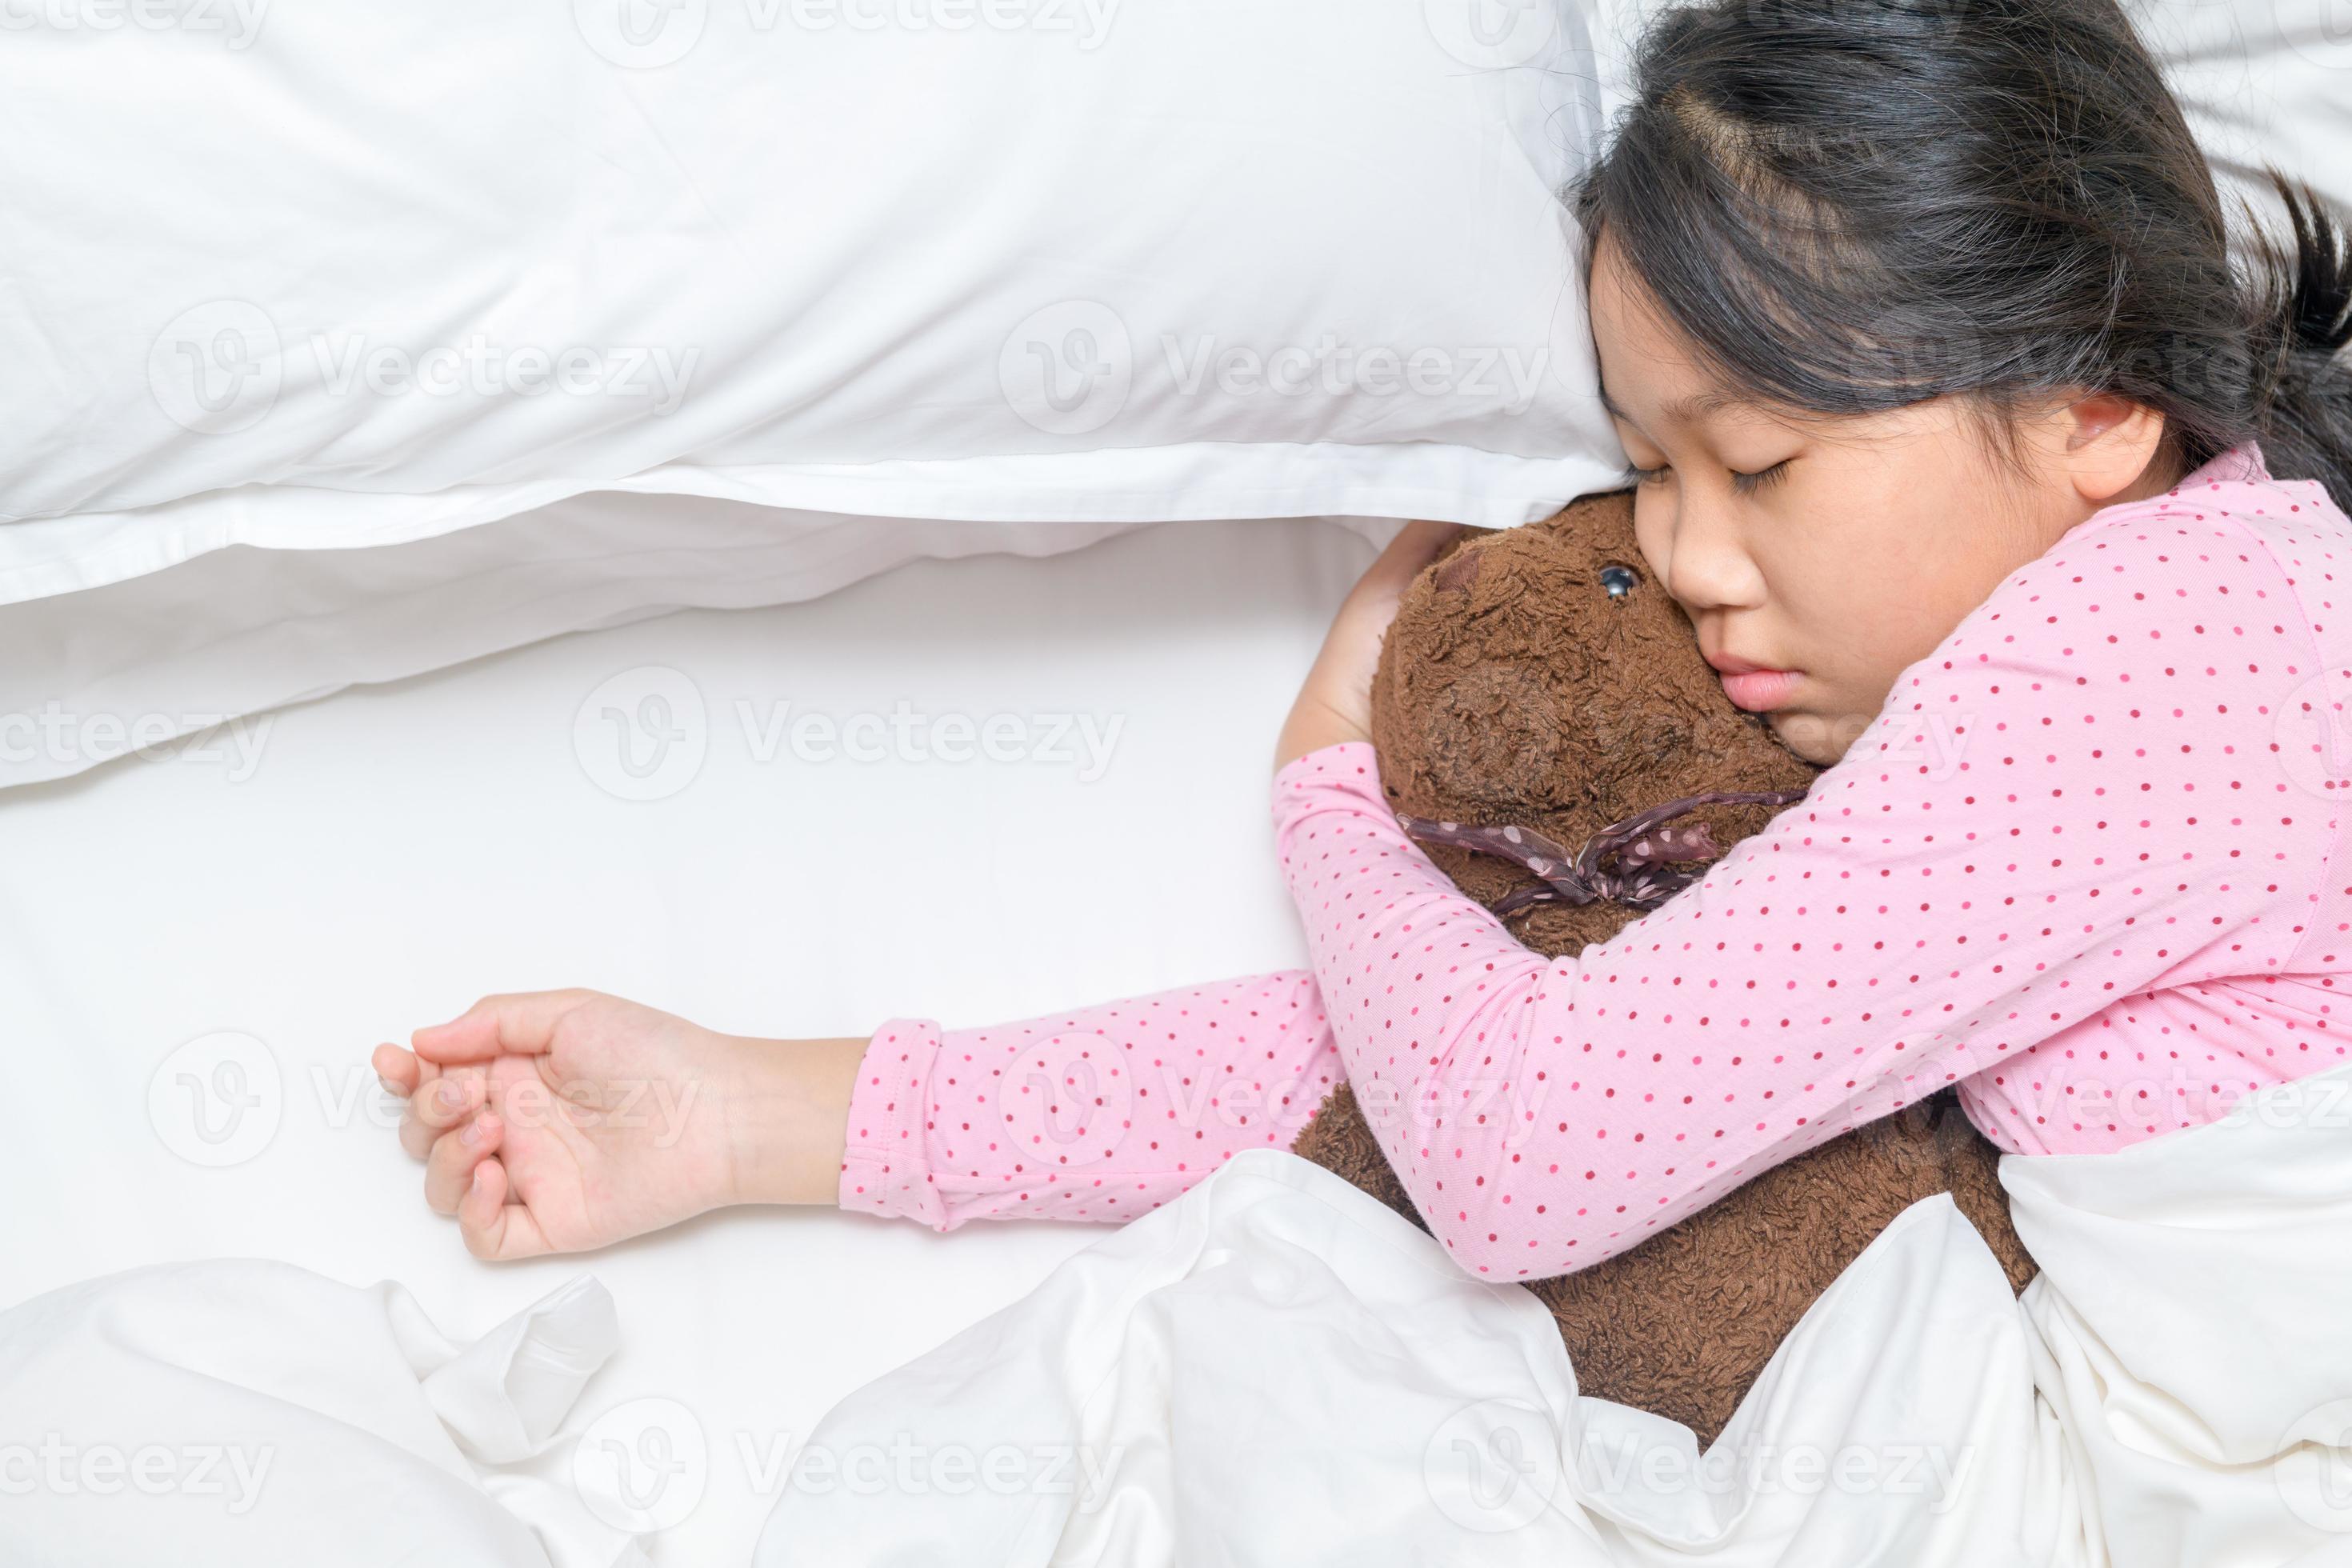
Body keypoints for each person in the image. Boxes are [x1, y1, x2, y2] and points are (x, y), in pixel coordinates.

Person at [373, 0, 2352, 1273]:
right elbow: (1497, 1046)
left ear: (2095, 407)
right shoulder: (2038, 650)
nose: (1681, 553)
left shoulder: (2167, 656)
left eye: (1758, 462)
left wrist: (1330, 793)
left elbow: (1522, 1142)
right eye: (1647, 469)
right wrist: (767, 1111)